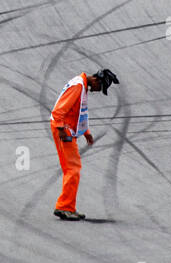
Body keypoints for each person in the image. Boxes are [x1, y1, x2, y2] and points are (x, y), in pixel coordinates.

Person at [50, 68, 119, 221]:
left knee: (72, 168)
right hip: (64, 130)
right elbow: (59, 110)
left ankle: (68, 207)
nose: (97, 91)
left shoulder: (81, 85)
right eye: (99, 88)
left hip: (67, 129)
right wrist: (61, 129)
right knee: (73, 169)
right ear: (96, 80)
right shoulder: (78, 86)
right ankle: (64, 207)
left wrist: (85, 131)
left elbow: (79, 111)